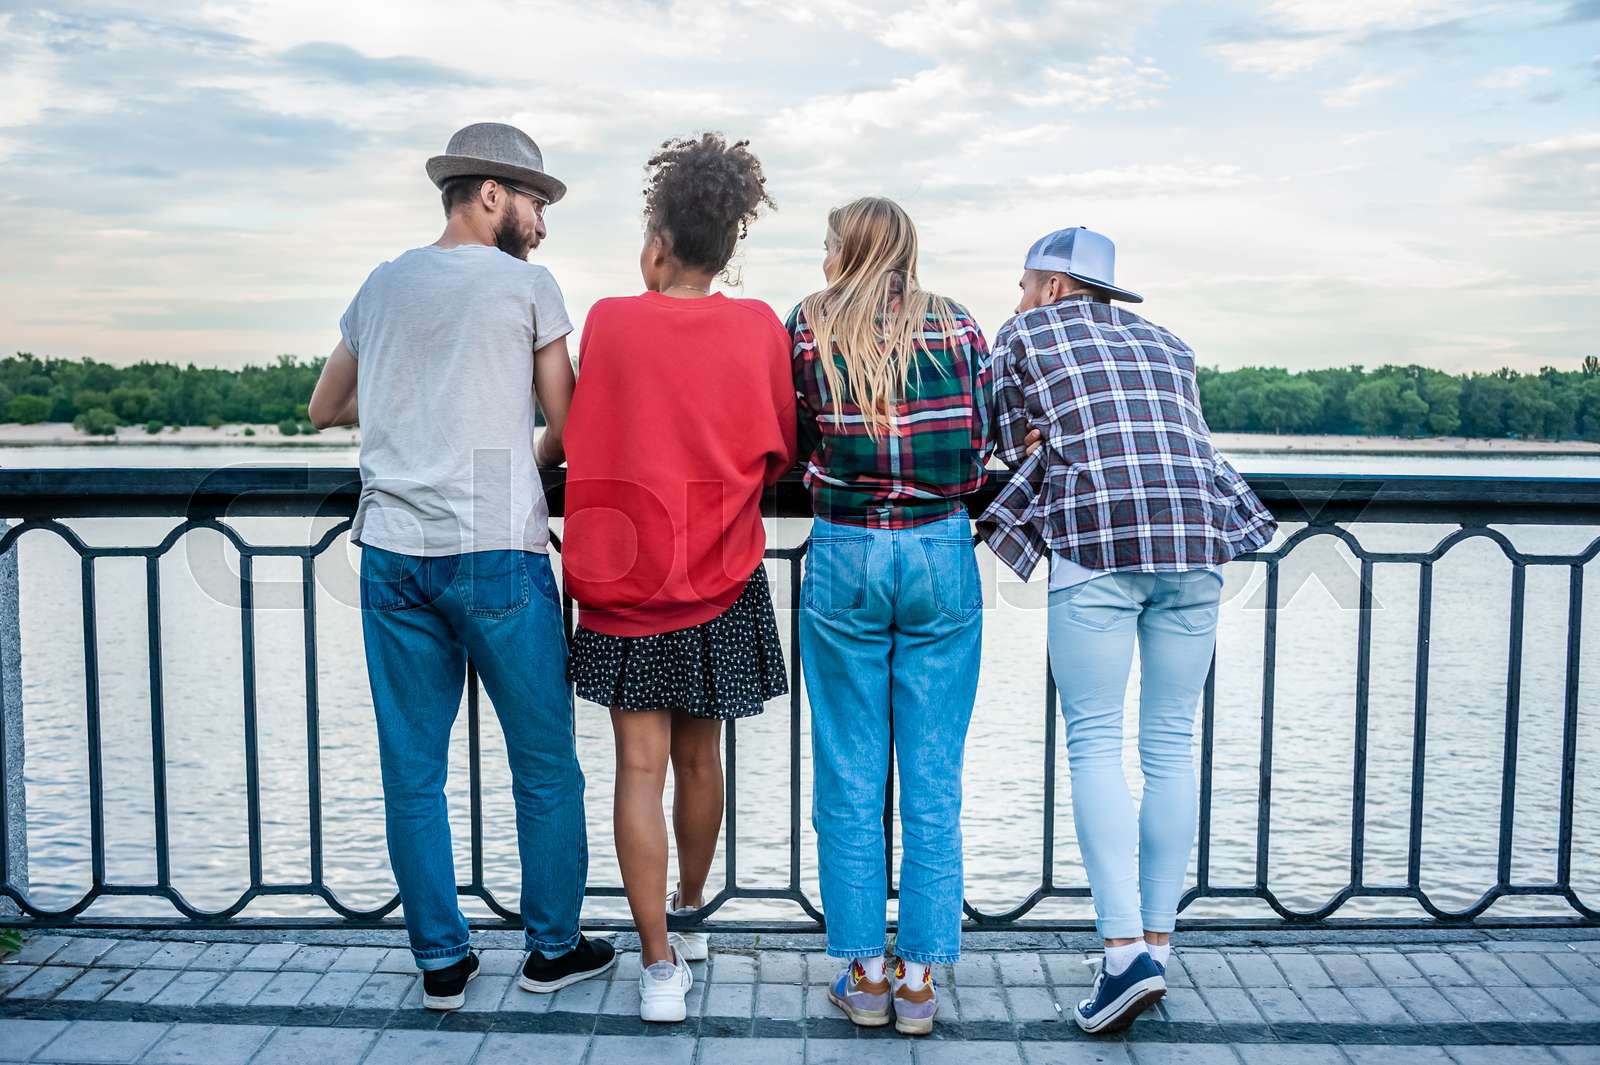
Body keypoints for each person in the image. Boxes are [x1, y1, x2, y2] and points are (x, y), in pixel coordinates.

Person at [307, 122, 614, 1011]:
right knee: (546, 763)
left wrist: (417, 383)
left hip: (393, 552)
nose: (543, 225)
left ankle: (441, 961)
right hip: (495, 550)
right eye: (536, 203)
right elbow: (573, 425)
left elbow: (326, 406)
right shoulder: (526, 286)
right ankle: (552, 948)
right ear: (489, 194)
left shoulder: (383, 283)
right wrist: (529, 450)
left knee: (413, 768)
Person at [978, 227, 1277, 1034]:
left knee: (1094, 741)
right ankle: (1155, 945)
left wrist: (1041, 433)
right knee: (1171, 742)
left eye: (1023, 283)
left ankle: (1119, 958)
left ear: (1052, 288)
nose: (1017, 299)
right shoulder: (1168, 342)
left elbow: (1003, 445)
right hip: (1197, 540)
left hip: (1101, 541)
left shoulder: (1026, 333)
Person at [561, 133, 795, 1023]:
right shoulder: (760, 326)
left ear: (657, 243)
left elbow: (582, 425)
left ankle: (658, 965)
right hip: (721, 577)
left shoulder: (613, 319)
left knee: (637, 766)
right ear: (731, 242)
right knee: (703, 757)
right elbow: (781, 444)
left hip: (627, 581)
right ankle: (692, 913)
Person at [789, 196, 991, 1037]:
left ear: (845, 249)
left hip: (846, 552)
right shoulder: (960, 325)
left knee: (848, 769)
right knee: (933, 772)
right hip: (940, 549)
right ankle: (918, 984)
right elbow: (978, 445)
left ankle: (863, 973)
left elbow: (790, 434)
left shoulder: (809, 324)